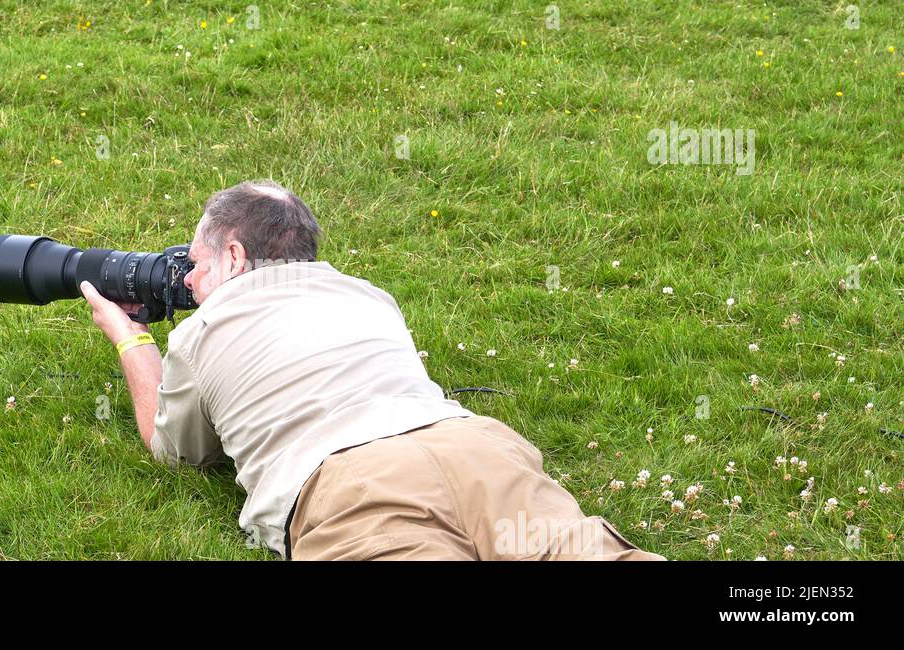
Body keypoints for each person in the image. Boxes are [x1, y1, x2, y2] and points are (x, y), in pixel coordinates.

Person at [79, 179, 665, 561]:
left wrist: (133, 341)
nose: (186, 279)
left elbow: (174, 449)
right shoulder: (367, 294)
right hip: (475, 449)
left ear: (233, 255)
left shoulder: (202, 332)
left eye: (197, 263)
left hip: (355, 486)